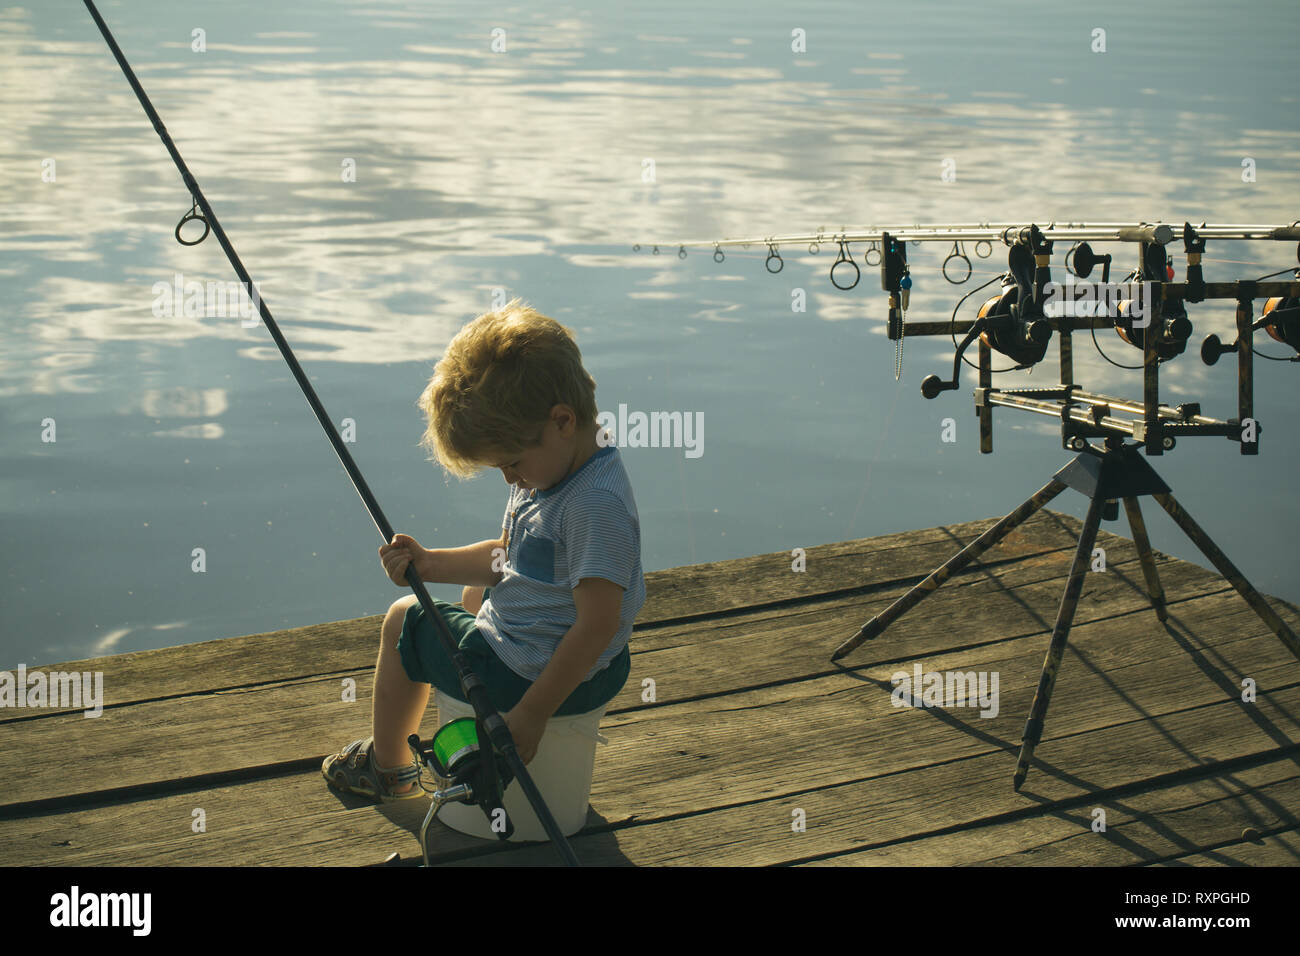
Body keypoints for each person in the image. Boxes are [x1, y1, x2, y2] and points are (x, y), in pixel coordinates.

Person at [322, 299, 645, 801]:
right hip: (584, 670)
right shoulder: (562, 466)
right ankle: (473, 703)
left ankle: (389, 769)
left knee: (404, 619)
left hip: (531, 679)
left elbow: (598, 623)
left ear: (561, 420)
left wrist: (532, 713)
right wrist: (429, 564)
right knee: (476, 588)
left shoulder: (593, 505)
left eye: (511, 462)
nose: (510, 478)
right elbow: (511, 558)